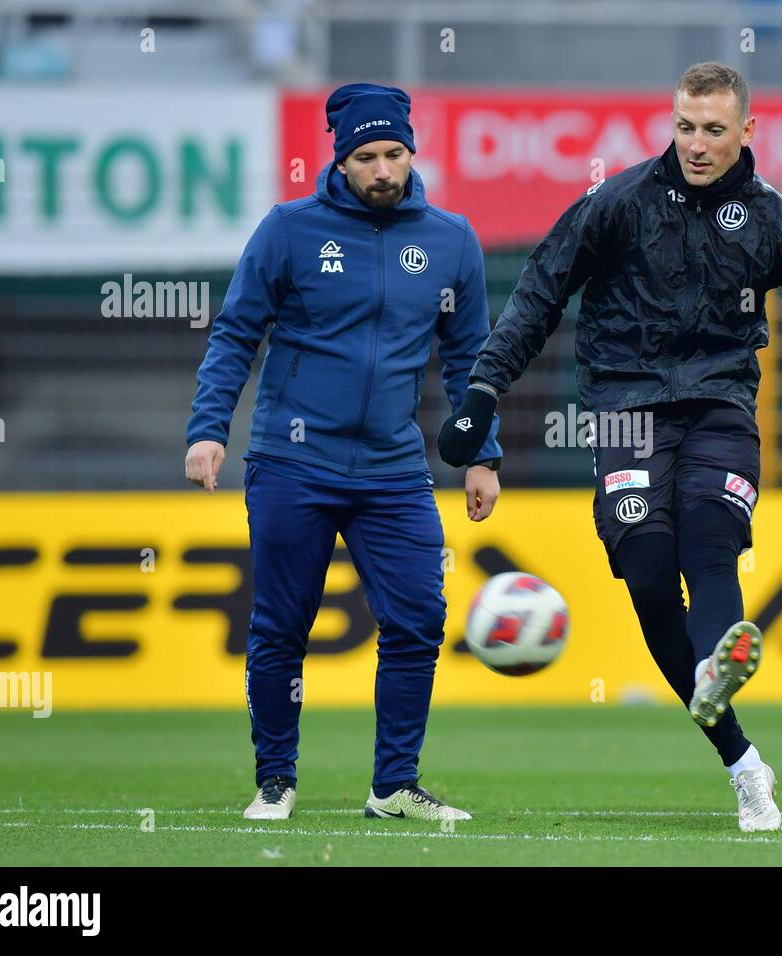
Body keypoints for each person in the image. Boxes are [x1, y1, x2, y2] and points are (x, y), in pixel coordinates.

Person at [437, 62, 782, 831]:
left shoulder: (772, 219)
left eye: (714, 129)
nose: (696, 143)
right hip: (623, 406)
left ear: (747, 131)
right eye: (685, 126)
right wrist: (482, 394)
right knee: (650, 574)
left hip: (719, 405)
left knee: (710, 541)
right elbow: (538, 293)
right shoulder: (617, 204)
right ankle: (742, 759)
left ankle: (719, 663)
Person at [184, 83, 502, 822]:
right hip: (291, 462)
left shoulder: (452, 239)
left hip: (394, 468)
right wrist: (208, 430)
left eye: (395, 153)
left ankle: (393, 785)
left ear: (411, 151)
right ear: (341, 159)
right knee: (281, 628)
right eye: (367, 156)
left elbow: (471, 360)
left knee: (420, 618)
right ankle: (275, 781)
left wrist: (481, 455)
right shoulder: (289, 230)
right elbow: (235, 335)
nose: (384, 169)